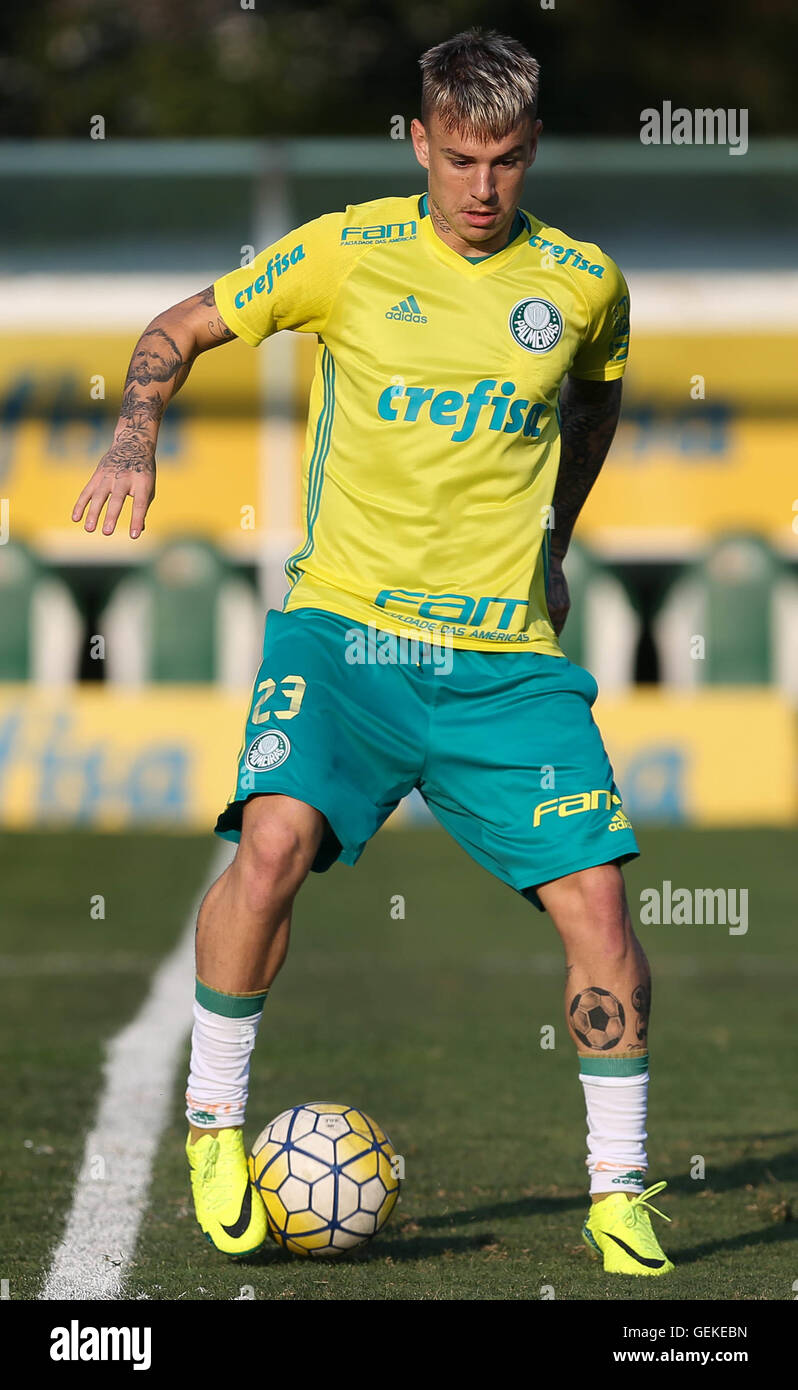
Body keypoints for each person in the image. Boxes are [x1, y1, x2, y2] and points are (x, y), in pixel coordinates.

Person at [73, 28, 672, 1277]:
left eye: (505, 160)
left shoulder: (582, 283)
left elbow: (597, 402)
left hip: (504, 661)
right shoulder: (347, 251)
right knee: (275, 841)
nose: (481, 188)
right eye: (458, 157)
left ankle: (619, 1195)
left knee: (604, 912)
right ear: (420, 140)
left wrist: (557, 530)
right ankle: (213, 1130)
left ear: (533, 148)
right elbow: (176, 329)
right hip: (344, 634)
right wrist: (134, 436)